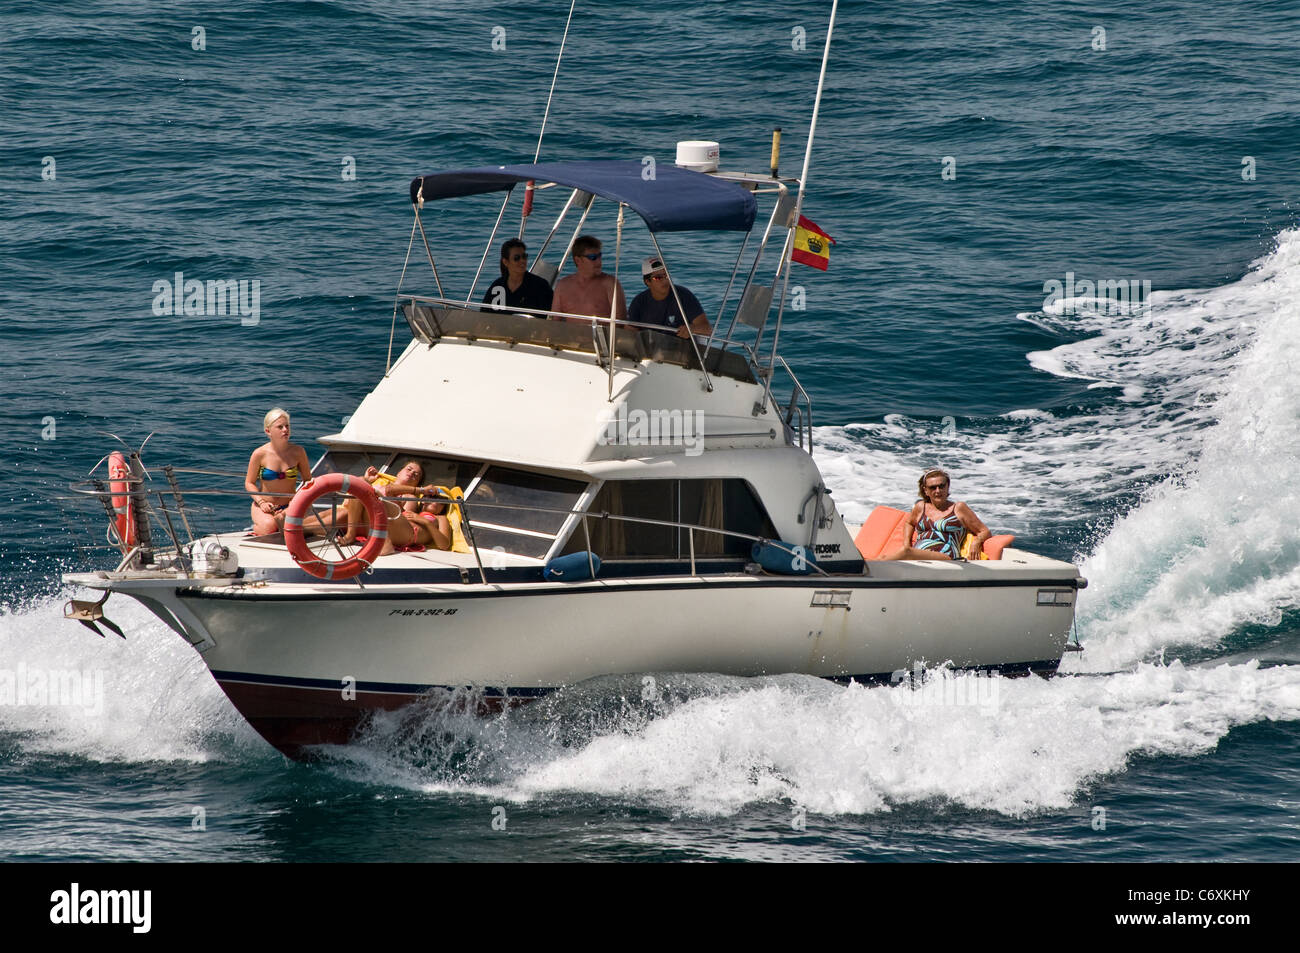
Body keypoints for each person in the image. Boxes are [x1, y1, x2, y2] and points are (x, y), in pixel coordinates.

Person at [884, 468, 990, 561]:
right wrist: (906, 543)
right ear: (926, 491)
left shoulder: (959, 508)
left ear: (948, 486)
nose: (938, 491)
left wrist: (976, 542)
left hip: (946, 556)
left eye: (941, 486)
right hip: (917, 555)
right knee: (887, 556)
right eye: (933, 487)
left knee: (904, 552)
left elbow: (984, 531)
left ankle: (874, 568)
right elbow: (909, 523)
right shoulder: (920, 507)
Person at [245, 408, 312, 535]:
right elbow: (249, 483)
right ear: (268, 431)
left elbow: (308, 481)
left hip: (291, 505)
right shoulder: (259, 454)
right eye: (280, 427)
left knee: (294, 528)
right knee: (270, 527)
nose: (285, 430)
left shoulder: (298, 452)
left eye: (287, 426)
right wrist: (261, 502)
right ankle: (257, 528)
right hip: (264, 506)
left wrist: (296, 500)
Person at [628, 256, 711, 338]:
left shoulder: (683, 296)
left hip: (682, 349)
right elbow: (630, 331)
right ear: (647, 282)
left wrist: (691, 329)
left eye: (666, 275)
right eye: (658, 278)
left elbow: (707, 329)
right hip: (649, 350)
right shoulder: (639, 302)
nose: (664, 280)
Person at [551, 235, 626, 323]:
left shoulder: (610, 284)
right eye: (593, 257)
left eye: (599, 256)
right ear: (578, 260)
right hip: (570, 336)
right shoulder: (563, 286)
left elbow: (620, 322)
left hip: (602, 336)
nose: (599, 261)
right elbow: (555, 321)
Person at [481, 239, 553, 315]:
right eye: (517, 258)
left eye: (524, 256)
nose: (522, 260)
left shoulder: (540, 286)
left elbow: (550, 316)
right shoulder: (497, 287)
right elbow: (484, 314)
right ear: (505, 262)